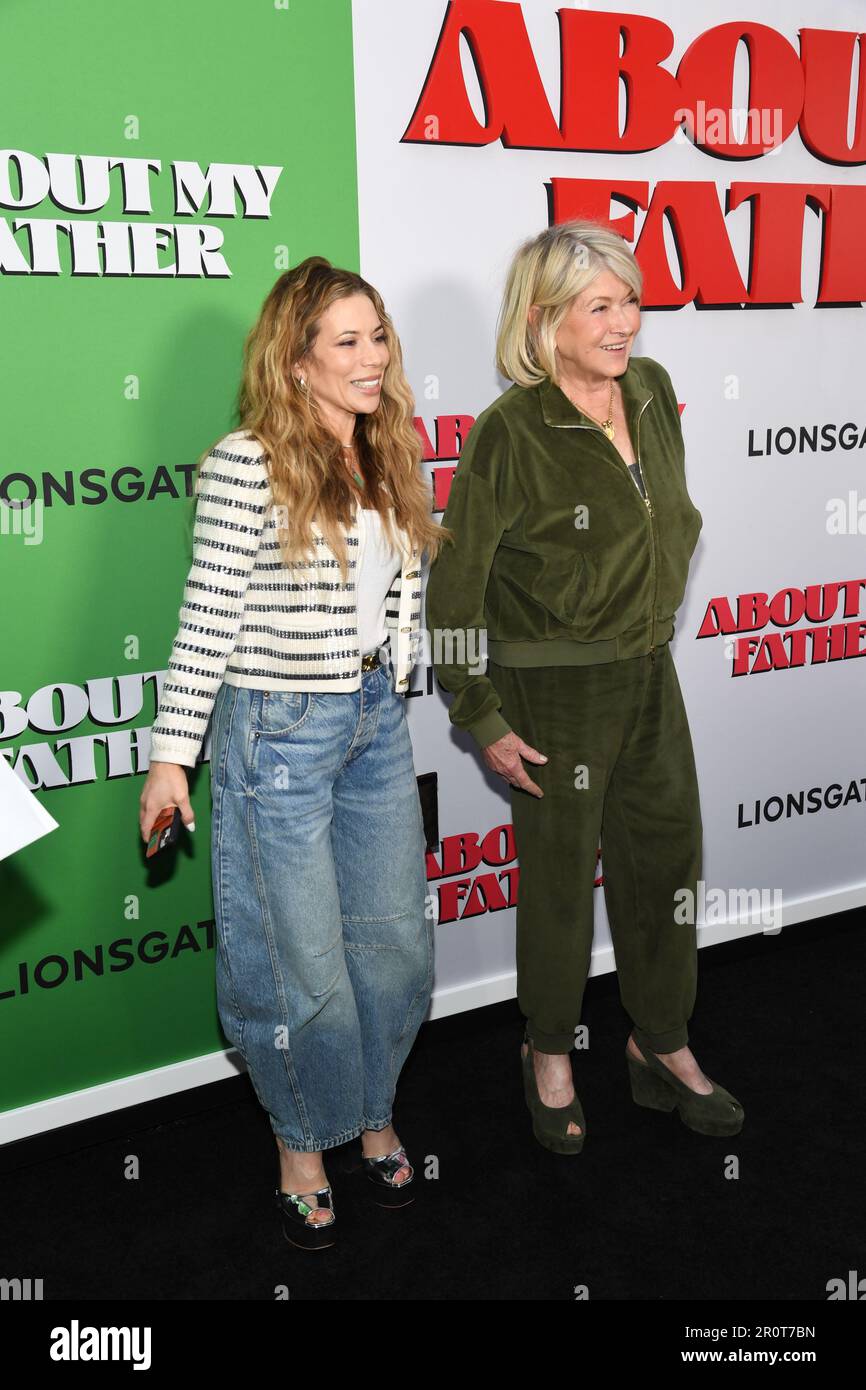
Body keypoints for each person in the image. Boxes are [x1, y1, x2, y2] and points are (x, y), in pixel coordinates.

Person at [139, 258, 447, 1247]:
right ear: (296, 362)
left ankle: (365, 1106)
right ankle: (301, 1138)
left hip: (371, 721)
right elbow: (203, 618)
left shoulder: (390, 451)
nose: (370, 357)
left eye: (377, 335)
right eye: (344, 342)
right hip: (276, 729)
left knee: (393, 944)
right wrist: (170, 756)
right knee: (297, 958)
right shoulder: (246, 462)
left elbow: (395, 596)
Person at [425, 219, 744, 1155]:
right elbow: (454, 592)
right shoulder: (507, 434)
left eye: (631, 301)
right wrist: (478, 712)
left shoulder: (649, 392)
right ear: (543, 319)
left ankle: (662, 1042)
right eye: (600, 306)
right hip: (553, 696)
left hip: (650, 674)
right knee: (562, 886)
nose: (626, 325)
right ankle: (550, 1052)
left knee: (665, 866)